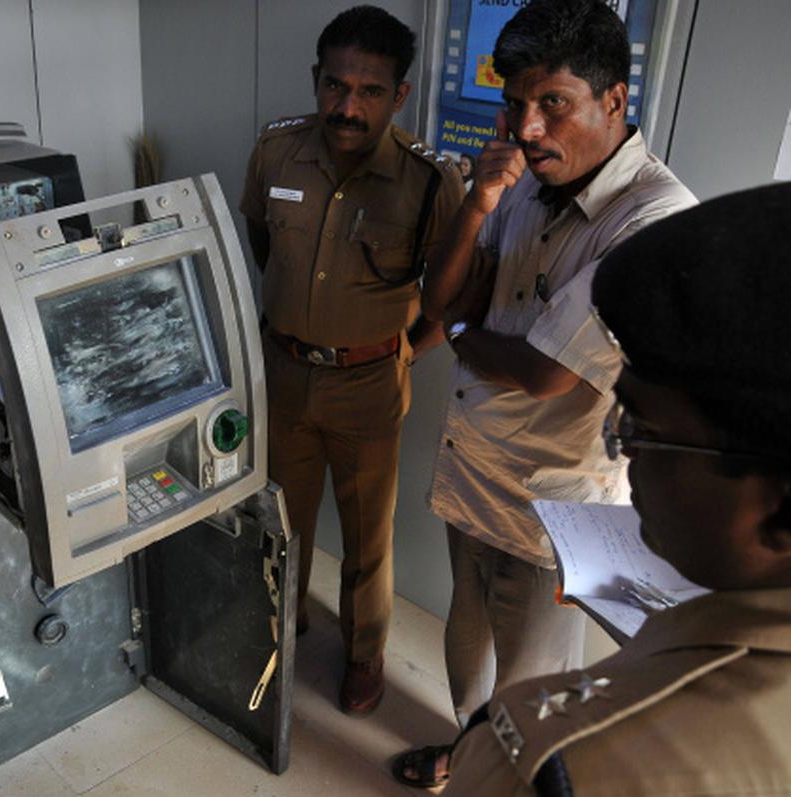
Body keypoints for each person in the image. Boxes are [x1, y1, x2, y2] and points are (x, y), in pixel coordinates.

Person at [392, 0, 696, 786]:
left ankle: (513, 781)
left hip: (552, 503)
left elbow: (542, 370)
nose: (528, 128)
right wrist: (479, 203)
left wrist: (459, 335)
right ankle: (467, 752)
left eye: (553, 104)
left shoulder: (650, 218)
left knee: (538, 686)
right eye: (515, 104)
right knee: (467, 633)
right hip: (475, 467)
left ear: (614, 103)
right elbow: (441, 298)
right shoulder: (525, 179)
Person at [443, 180, 791, 795]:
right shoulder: (516, 195)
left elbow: (538, 367)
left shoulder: (549, 765)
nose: (625, 452)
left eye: (643, 429)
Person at [240, 5, 464, 714]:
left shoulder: (428, 182)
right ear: (316, 80)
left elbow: (452, 295)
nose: (348, 106)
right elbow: (262, 242)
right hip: (282, 373)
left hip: (370, 384)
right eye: (336, 86)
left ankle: (365, 656)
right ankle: (284, 623)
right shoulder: (276, 152)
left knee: (369, 536)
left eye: (370, 92)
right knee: (281, 519)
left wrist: (400, 351)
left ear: (399, 95)